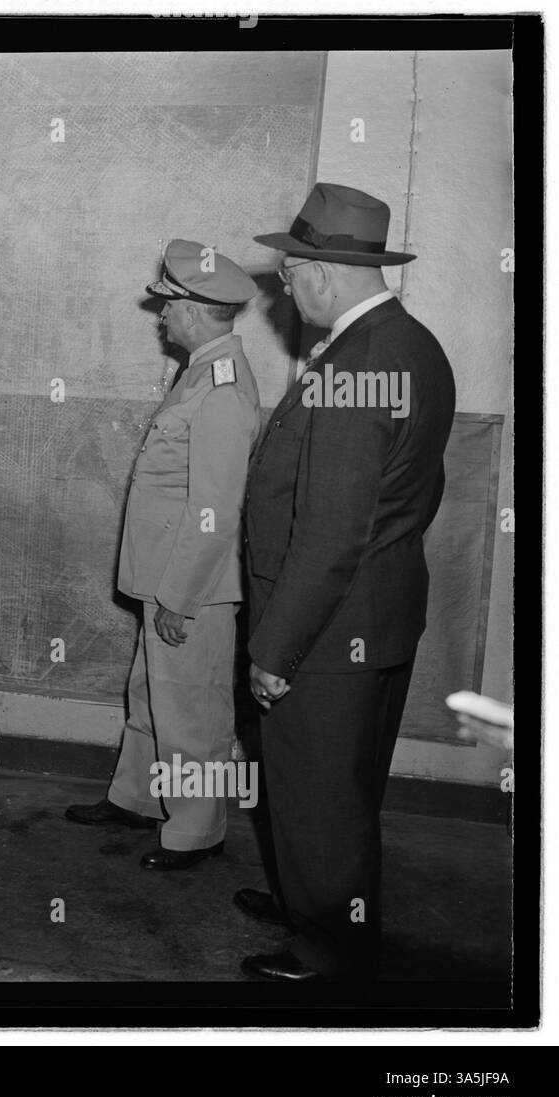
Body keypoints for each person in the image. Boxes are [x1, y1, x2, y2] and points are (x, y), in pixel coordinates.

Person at [237, 183, 456, 980]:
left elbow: (330, 532)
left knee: (317, 790)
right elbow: (416, 494)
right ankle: (317, 897)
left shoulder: (356, 363)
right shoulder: (414, 344)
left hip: (328, 630)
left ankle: (327, 943)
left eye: (289, 275)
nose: (285, 290)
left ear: (321, 271)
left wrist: (276, 649)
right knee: (347, 783)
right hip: (380, 613)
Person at [65, 240, 261, 870]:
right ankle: (139, 800)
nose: (161, 317)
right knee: (154, 694)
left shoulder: (224, 385)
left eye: (170, 306)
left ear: (199, 309)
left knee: (195, 709)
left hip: (191, 585)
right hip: (165, 574)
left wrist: (181, 595)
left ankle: (197, 831)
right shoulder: (201, 370)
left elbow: (215, 507)